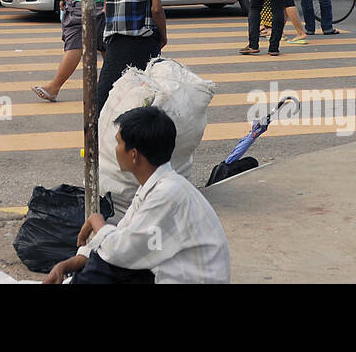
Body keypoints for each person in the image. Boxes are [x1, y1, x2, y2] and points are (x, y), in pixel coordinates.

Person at [44, 107, 230, 284]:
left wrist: (96, 221)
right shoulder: (156, 186)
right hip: (171, 274)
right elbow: (123, 237)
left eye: (118, 142)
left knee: (107, 267)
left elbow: (120, 251)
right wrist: (68, 264)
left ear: (134, 155)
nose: (115, 149)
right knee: (107, 259)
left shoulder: (167, 194)